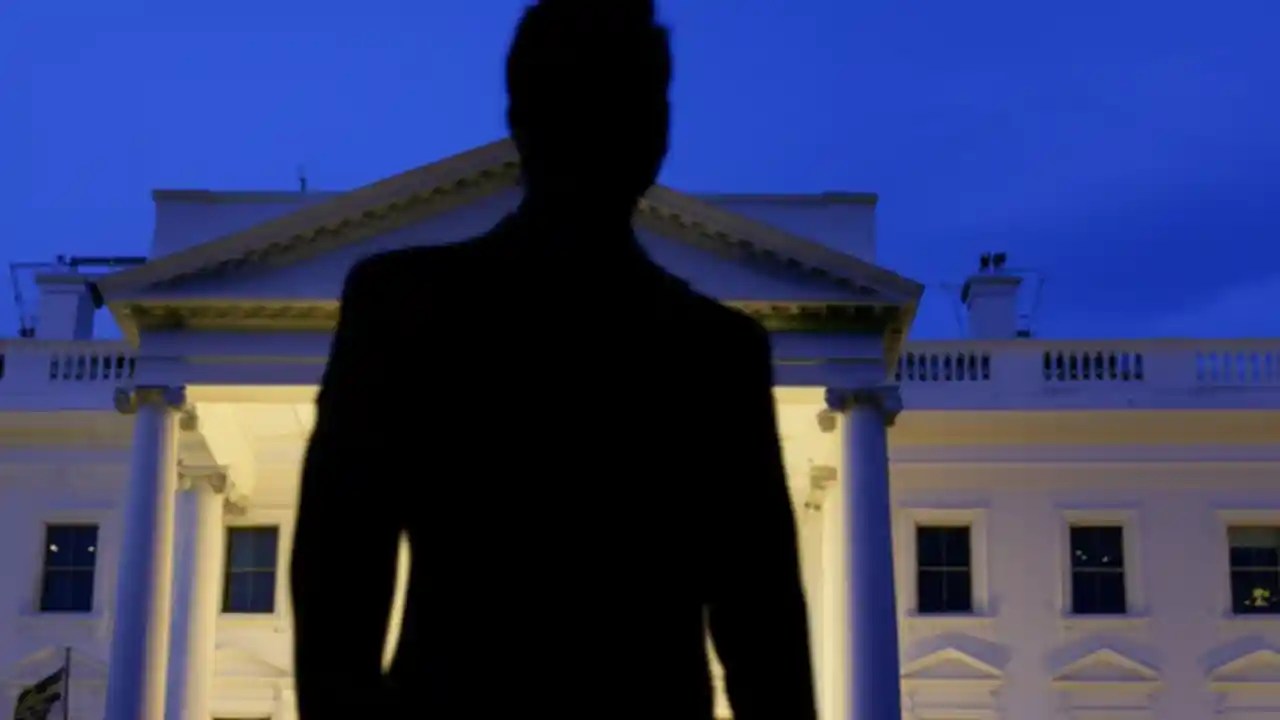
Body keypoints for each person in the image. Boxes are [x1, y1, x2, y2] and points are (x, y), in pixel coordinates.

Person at [289, 1, 817, 717]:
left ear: (517, 118)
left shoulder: (404, 309)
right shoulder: (714, 355)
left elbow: (337, 583)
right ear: (658, 135)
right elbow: (765, 646)